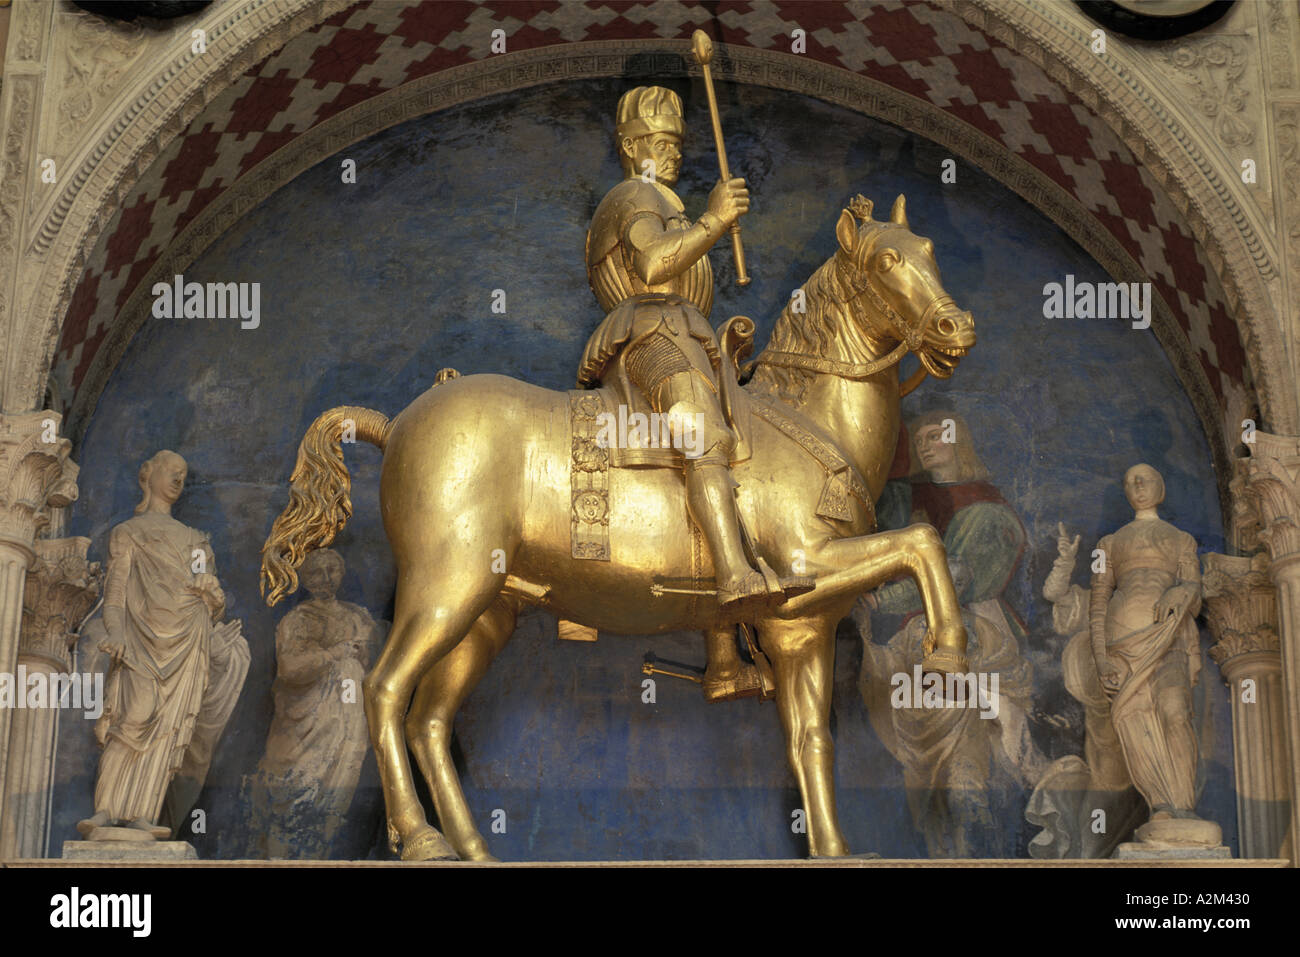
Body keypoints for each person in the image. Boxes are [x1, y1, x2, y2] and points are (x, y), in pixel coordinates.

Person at [579, 86, 763, 617]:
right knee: (700, 432)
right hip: (652, 331)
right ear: (631, 147)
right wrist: (715, 220)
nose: (673, 154)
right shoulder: (637, 196)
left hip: (686, 334)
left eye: (678, 145)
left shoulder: (667, 204)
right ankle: (733, 575)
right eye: (660, 143)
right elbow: (654, 267)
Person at [77, 450, 248, 840]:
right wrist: (115, 632)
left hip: (187, 638)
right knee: (134, 715)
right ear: (147, 475)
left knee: (167, 729)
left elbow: (212, 596)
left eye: (183, 475)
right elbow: (116, 592)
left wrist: (212, 595)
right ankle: (104, 810)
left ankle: (143, 812)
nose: (177, 479)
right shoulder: (129, 532)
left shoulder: (194, 540)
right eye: (170, 471)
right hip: (141, 637)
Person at [1090, 463, 1204, 825]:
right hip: (1120, 643)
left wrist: (1183, 588)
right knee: (1134, 722)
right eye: (1129, 481)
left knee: (1176, 714)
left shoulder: (1182, 539)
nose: (1137, 485)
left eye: (1145, 479)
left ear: (1161, 488)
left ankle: (1184, 805)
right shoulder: (1108, 544)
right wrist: (1100, 659)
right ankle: (1161, 807)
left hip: (1167, 638)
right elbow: (1097, 604)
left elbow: (1196, 598)